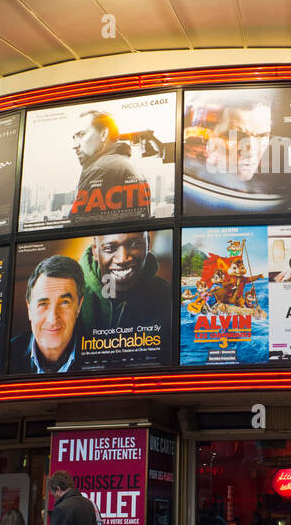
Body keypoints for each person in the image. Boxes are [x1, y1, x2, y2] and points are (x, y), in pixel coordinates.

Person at [77, 232, 172, 362]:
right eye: (110, 248)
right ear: (95, 251)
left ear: (148, 244)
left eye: (134, 244)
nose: (122, 259)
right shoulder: (69, 295)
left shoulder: (167, 296)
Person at [11, 255, 86, 374]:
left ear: (79, 306)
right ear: (29, 309)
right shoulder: (7, 355)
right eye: (43, 304)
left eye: (64, 303)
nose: (53, 319)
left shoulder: (102, 352)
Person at [70, 110, 149, 221]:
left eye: (81, 135)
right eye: (74, 138)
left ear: (103, 134)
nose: (75, 145)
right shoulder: (123, 163)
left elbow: (76, 225)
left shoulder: (102, 169)